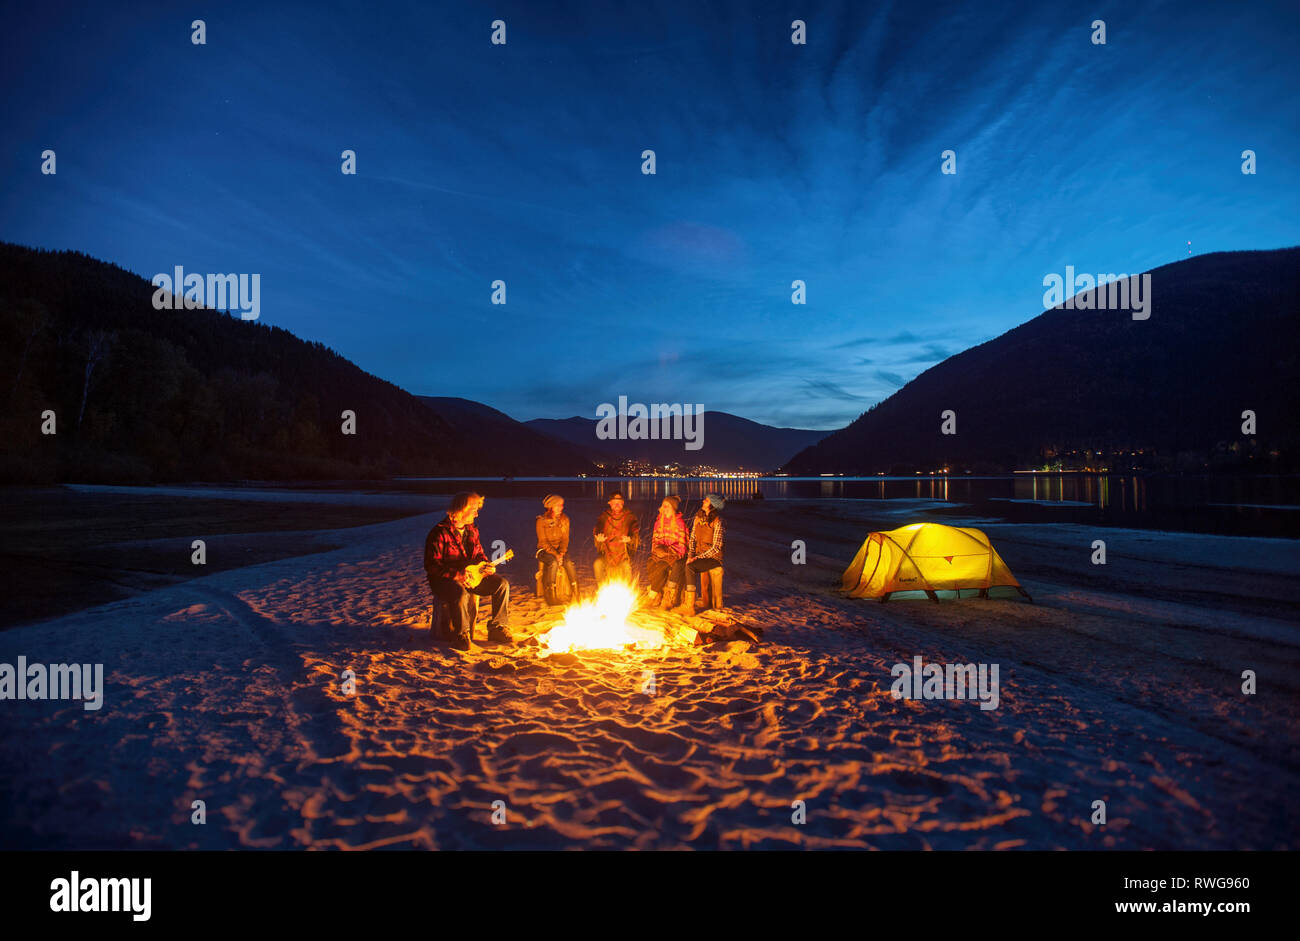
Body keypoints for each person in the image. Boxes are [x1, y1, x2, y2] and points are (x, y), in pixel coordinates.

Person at [423, 491, 512, 650]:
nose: (477, 514)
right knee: (459, 592)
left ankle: (497, 628)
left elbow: (479, 554)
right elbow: (431, 565)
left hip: (471, 576)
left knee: (502, 584)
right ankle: (461, 634)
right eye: (474, 510)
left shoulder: (472, 530)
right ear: (461, 509)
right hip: (444, 580)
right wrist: (457, 575)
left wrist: (485, 566)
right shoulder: (439, 532)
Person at [676, 493, 725, 612]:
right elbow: (692, 539)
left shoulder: (718, 521)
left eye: (707, 501)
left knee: (690, 567)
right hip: (698, 555)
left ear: (713, 505)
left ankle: (689, 605)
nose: (703, 501)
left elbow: (716, 548)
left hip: (713, 558)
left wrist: (697, 558)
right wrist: (691, 555)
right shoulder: (698, 518)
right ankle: (672, 599)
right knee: (678, 564)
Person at [536, 494, 579, 605]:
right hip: (544, 551)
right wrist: (556, 554)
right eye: (558, 505)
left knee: (568, 562)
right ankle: (551, 596)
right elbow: (543, 541)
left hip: (560, 551)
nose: (561, 508)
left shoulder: (564, 520)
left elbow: (565, 539)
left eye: (562, 505)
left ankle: (576, 592)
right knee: (553, 563)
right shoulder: (541, 521)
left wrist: (561, 552)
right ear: (551, 507)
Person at [645, 495, 687, 608]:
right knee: (651, 563)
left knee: (661, 566)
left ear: (673, 508)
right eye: (663, 506)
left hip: (674, 555)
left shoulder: (679, 523)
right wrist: (657, 550)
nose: (664, 508)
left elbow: (682, 546)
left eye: (667, 506)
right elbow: (655, 540)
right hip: (661, 554)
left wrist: (668, 551)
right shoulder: (659, 522)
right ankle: (658, 593)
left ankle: (653, 595)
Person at [592, 491, 639, 585]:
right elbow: (598, 528)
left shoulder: (629, 517)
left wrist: (630, 539)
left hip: (623, 555)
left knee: (627, 567)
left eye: (619, 502)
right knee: (597, 564)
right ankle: (602, 588)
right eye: (614, 502)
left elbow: (635, 531)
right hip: (608, 555)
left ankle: (627, 591)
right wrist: (598, 537)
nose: (617, 504)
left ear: (623, 503)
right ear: (610, 503)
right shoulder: (605, 516)